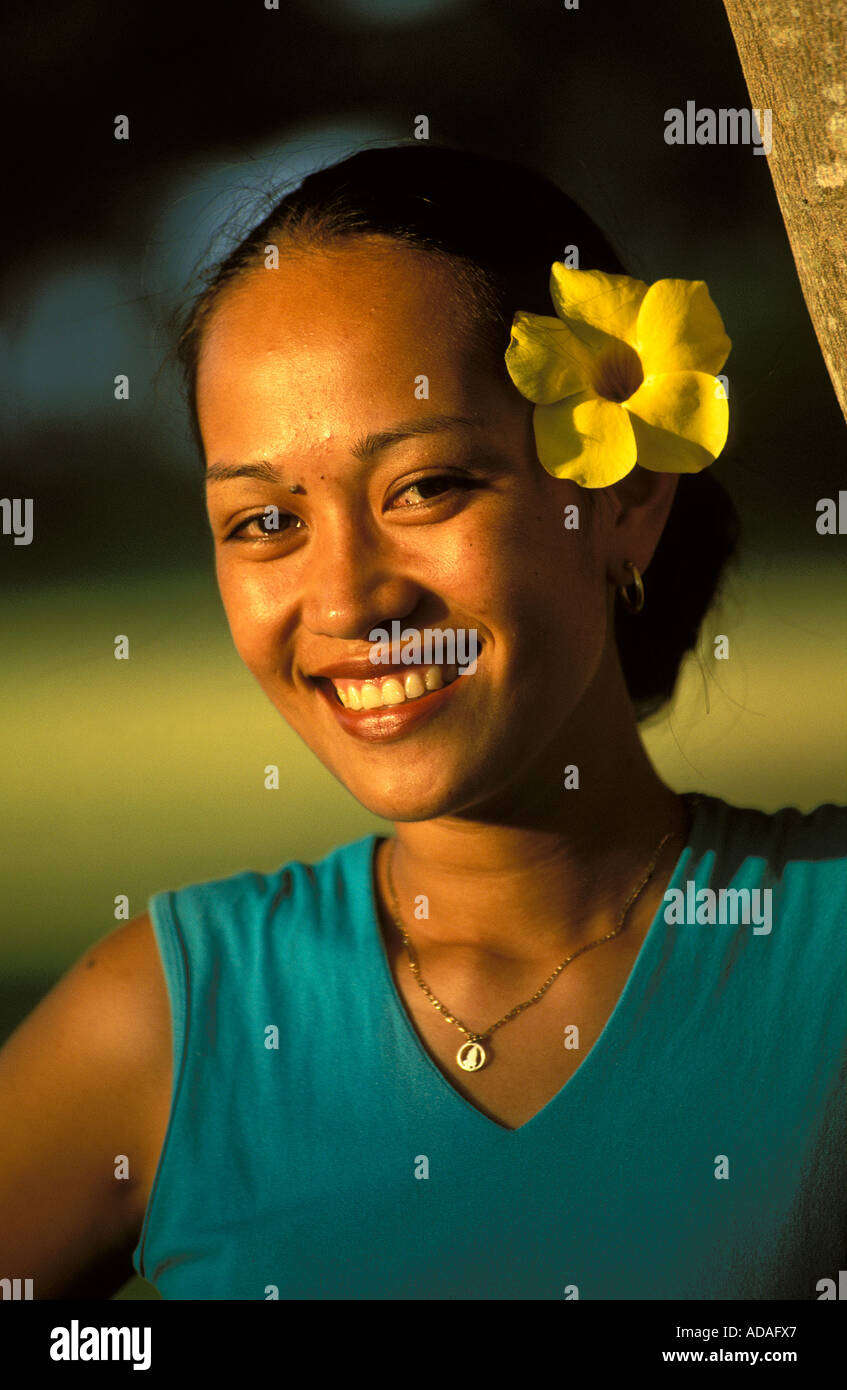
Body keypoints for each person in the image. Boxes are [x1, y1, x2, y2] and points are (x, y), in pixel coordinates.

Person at [1, 144, 844, 1301]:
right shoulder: (170, 1020)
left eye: (426, 486)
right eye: (262, 522)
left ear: (623, 497)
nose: (349, 599)